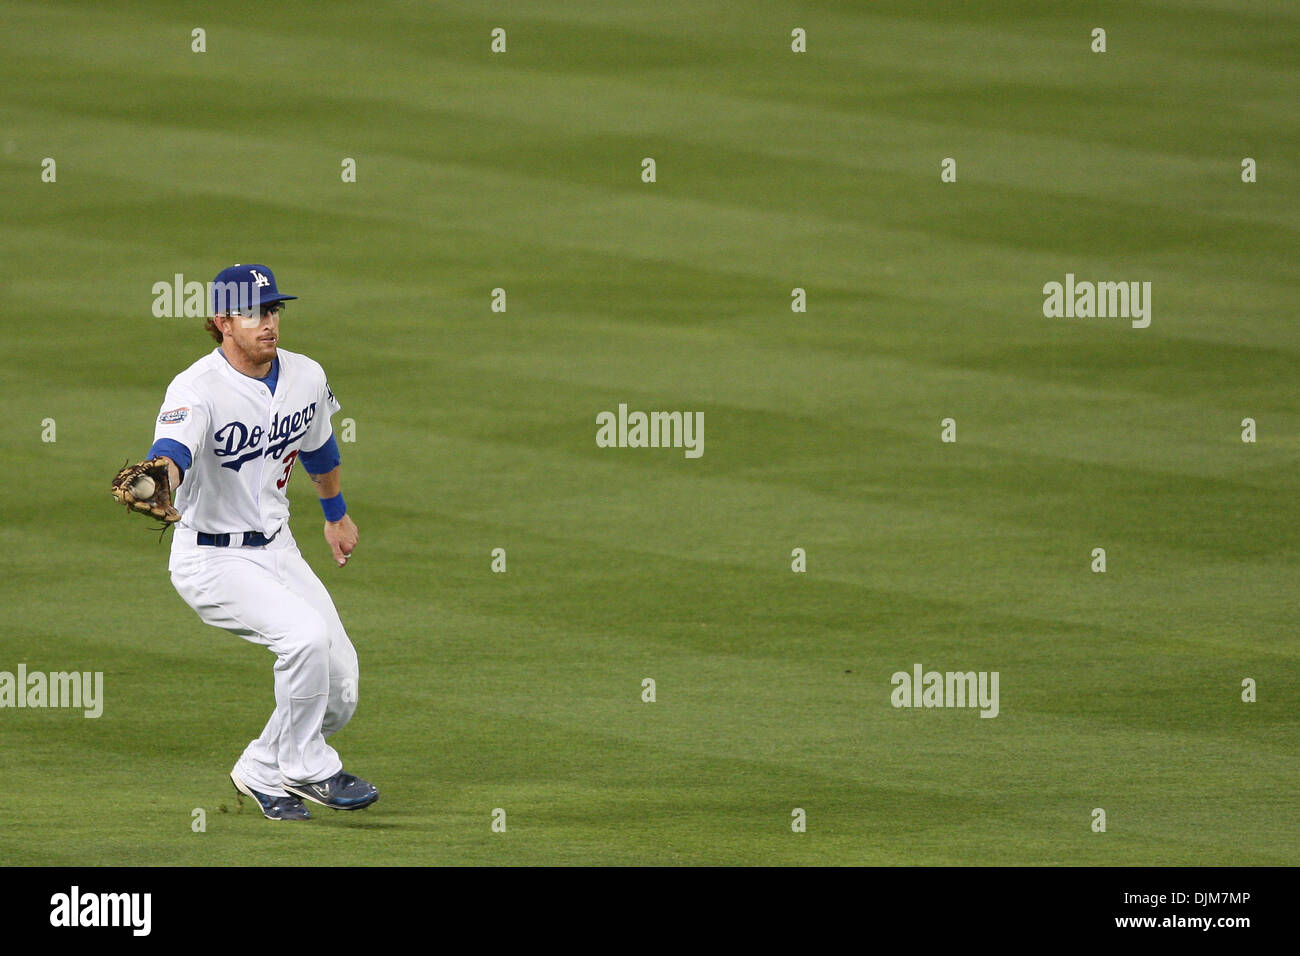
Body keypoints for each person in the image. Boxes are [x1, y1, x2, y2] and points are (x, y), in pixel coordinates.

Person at [146, 263, 378, 821]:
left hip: (278, 548)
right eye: (253, 312)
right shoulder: (195, 388)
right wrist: (159, 482)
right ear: (223, 321)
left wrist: (336, 515)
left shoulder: (305, 375)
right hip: (211, 557)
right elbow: (171, 455)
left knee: (340, 683)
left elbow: (320, 449)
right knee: (303, 639)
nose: (268, 322)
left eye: (273, 310)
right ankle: (307, 769)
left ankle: (262, 767)